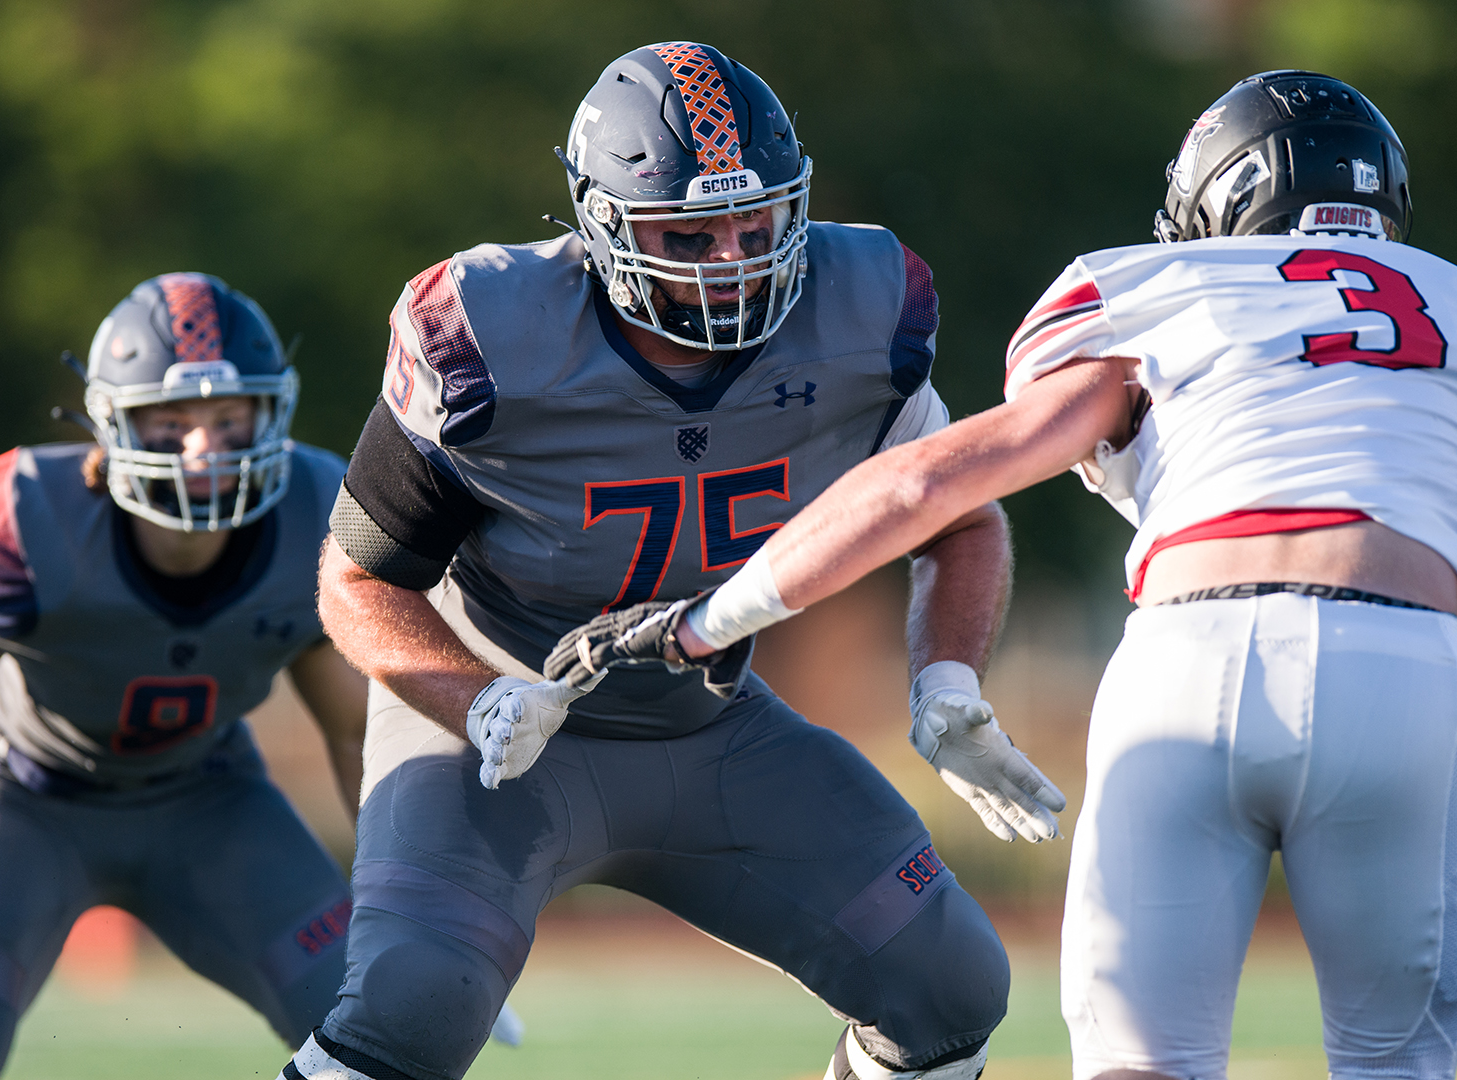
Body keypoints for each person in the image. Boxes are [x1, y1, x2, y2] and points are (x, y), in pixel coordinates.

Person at [557, 70, 1457, 1080]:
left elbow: (924, 485)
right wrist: (1391, 581)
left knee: (1139, 1063)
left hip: (1191, 662)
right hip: (1403, 667)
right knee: (1396, 1064)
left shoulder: (1154, 291)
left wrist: (705, 620)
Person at [281, 41, 1065, 1080]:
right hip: (499, 735)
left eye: (758, 224)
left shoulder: (859, 312)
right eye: (689, 233)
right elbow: (358, 578)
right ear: (603, 224)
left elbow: (960, 518)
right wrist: (474, 700)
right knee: (413, 1002)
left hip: (710, 730)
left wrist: (947, 679)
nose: (734, 258)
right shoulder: (492, 335)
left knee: (950, 984)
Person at [0, 272, 521, 1079]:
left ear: (271, 414)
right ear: (111, 423)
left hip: (209, 805)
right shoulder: (31, 523)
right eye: (172, 420)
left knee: (387, 1030)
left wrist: (422, 921)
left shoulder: (314, 515)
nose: (205, 448)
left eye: (230, 419)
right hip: (23, 803)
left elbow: (357, 732)